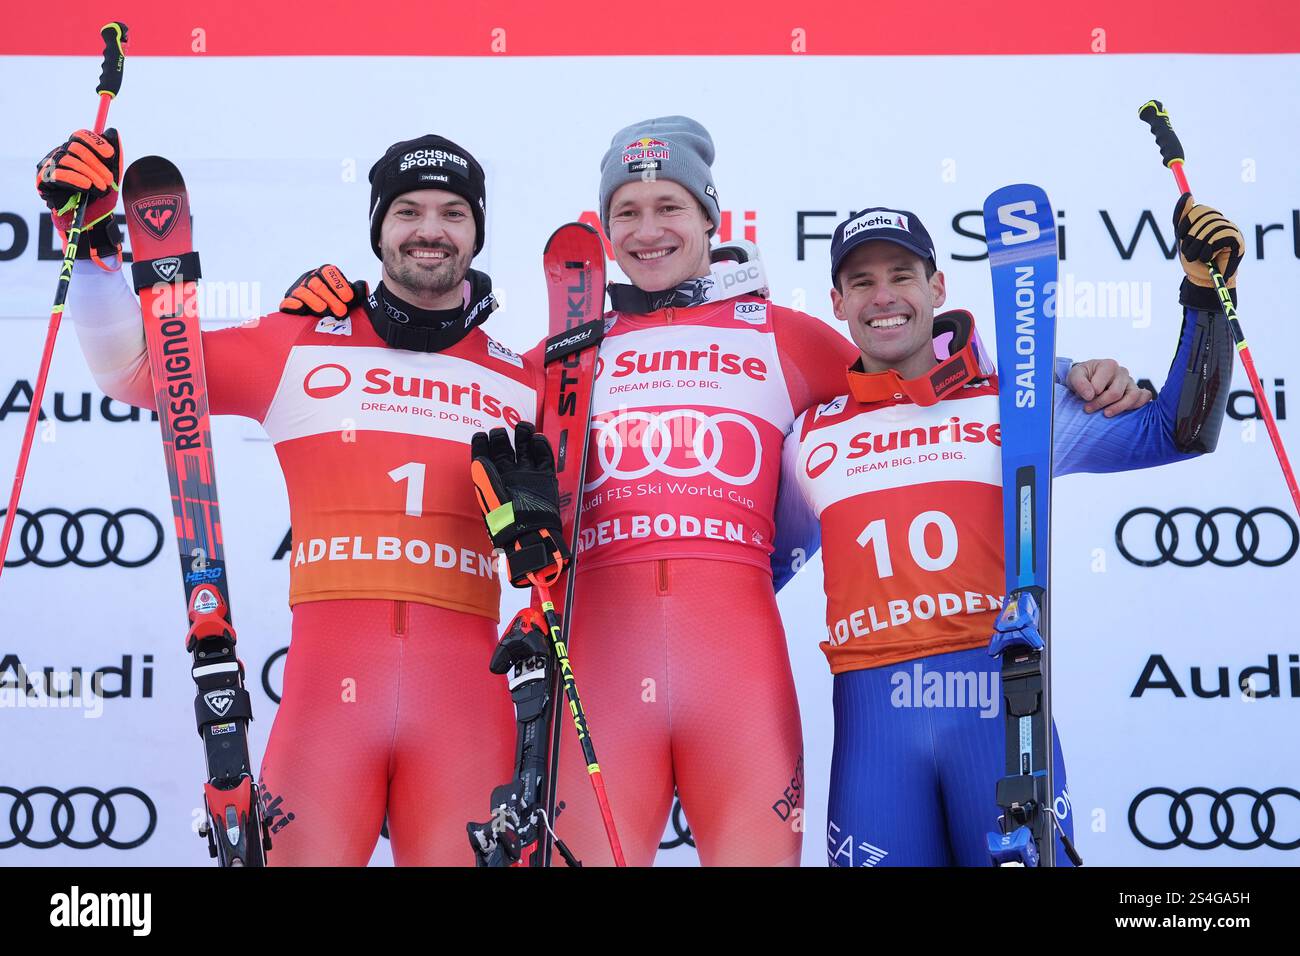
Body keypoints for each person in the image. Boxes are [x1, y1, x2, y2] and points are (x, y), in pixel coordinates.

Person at [285, 117, 1149, 866]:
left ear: (711, 219)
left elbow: (918, 365)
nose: (649, 227)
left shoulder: (785, 337)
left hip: (738, 673)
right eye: (628, 209)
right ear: (604, 226)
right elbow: (437, 383)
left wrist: (1070, 373)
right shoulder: (560, 353)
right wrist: (346, 318)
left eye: (671, 207)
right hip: (602, 675)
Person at [37, 129, 543, 864]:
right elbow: (142, 371)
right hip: (325, 719)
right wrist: (90, 248)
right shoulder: (299, 340)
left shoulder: (524, 382)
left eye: (452, 213)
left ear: (477, 232)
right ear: (378, 227)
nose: (429, 230)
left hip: (466, 715)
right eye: (407, 210)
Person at [781, 200, 1236, 865]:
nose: (883, 297)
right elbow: (749, 565)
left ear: (937, 288)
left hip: (997, 710)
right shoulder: (809, 434)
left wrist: (1204, 293)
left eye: (902, 275)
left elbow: (1180, 431)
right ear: (837, 302)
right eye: (861, 282)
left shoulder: (1020, 403)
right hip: (872, 730)